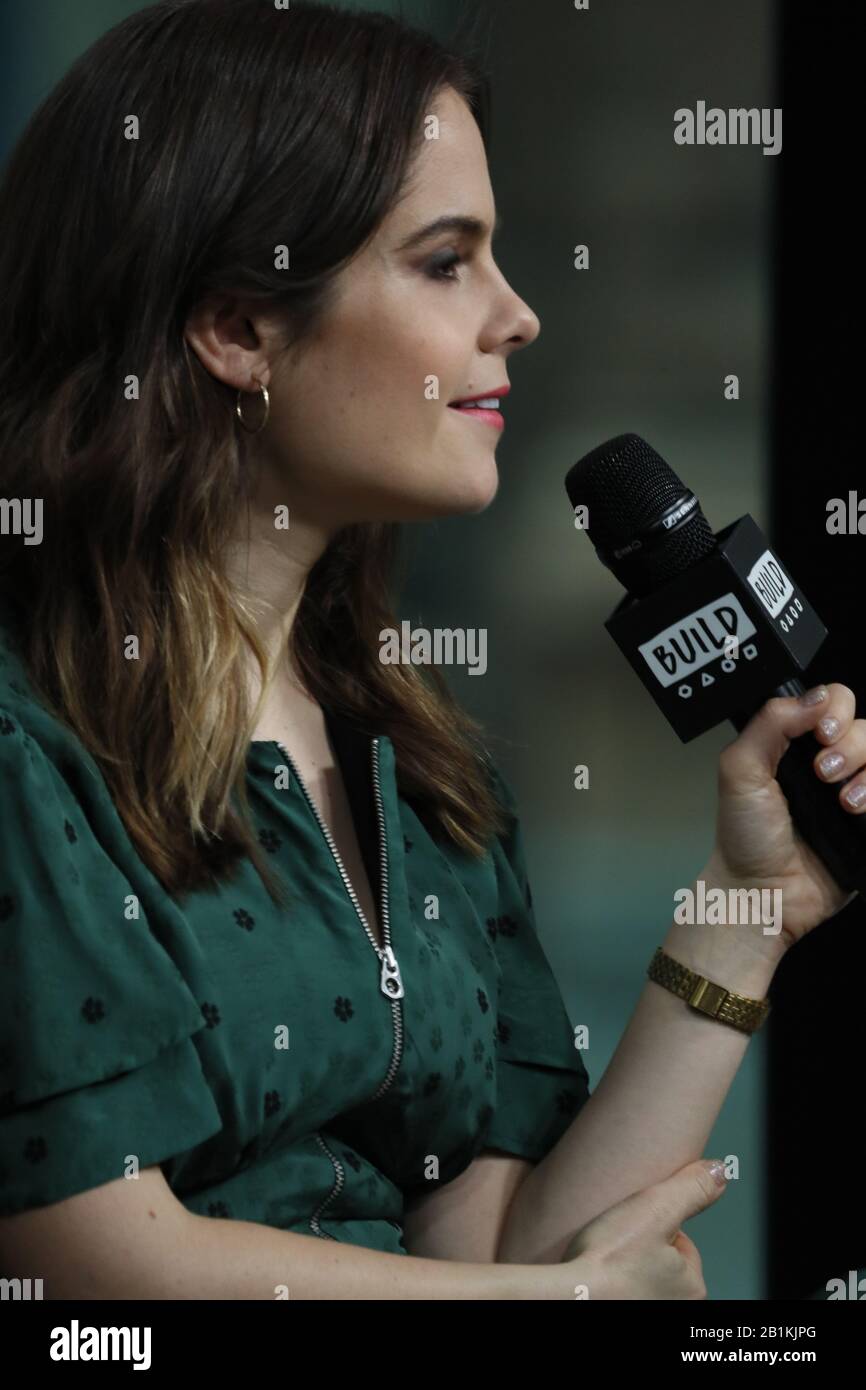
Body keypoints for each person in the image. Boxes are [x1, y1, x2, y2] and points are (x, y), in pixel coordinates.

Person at [0, 0, 862, 1301]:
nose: (515, 317)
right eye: (445, 261)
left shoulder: (413, 766)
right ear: (237, 329)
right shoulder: (24, 745)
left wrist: (743, 913)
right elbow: (96, 1268)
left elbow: (502, 1246)